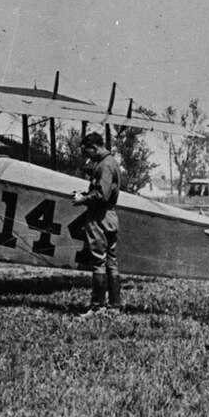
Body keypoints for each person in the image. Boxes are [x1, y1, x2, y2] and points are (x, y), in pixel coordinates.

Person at [73, 131, 121, 316]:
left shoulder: (104, 166)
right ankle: (114, 307)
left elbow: (101, 195)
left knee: (98, 262)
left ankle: (98, 307)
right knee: (111, 262)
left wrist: (82, 199)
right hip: (110, 216)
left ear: (94, 147)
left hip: (99, 216)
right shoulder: (113, 163)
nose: (88, 157)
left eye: (88, 152)